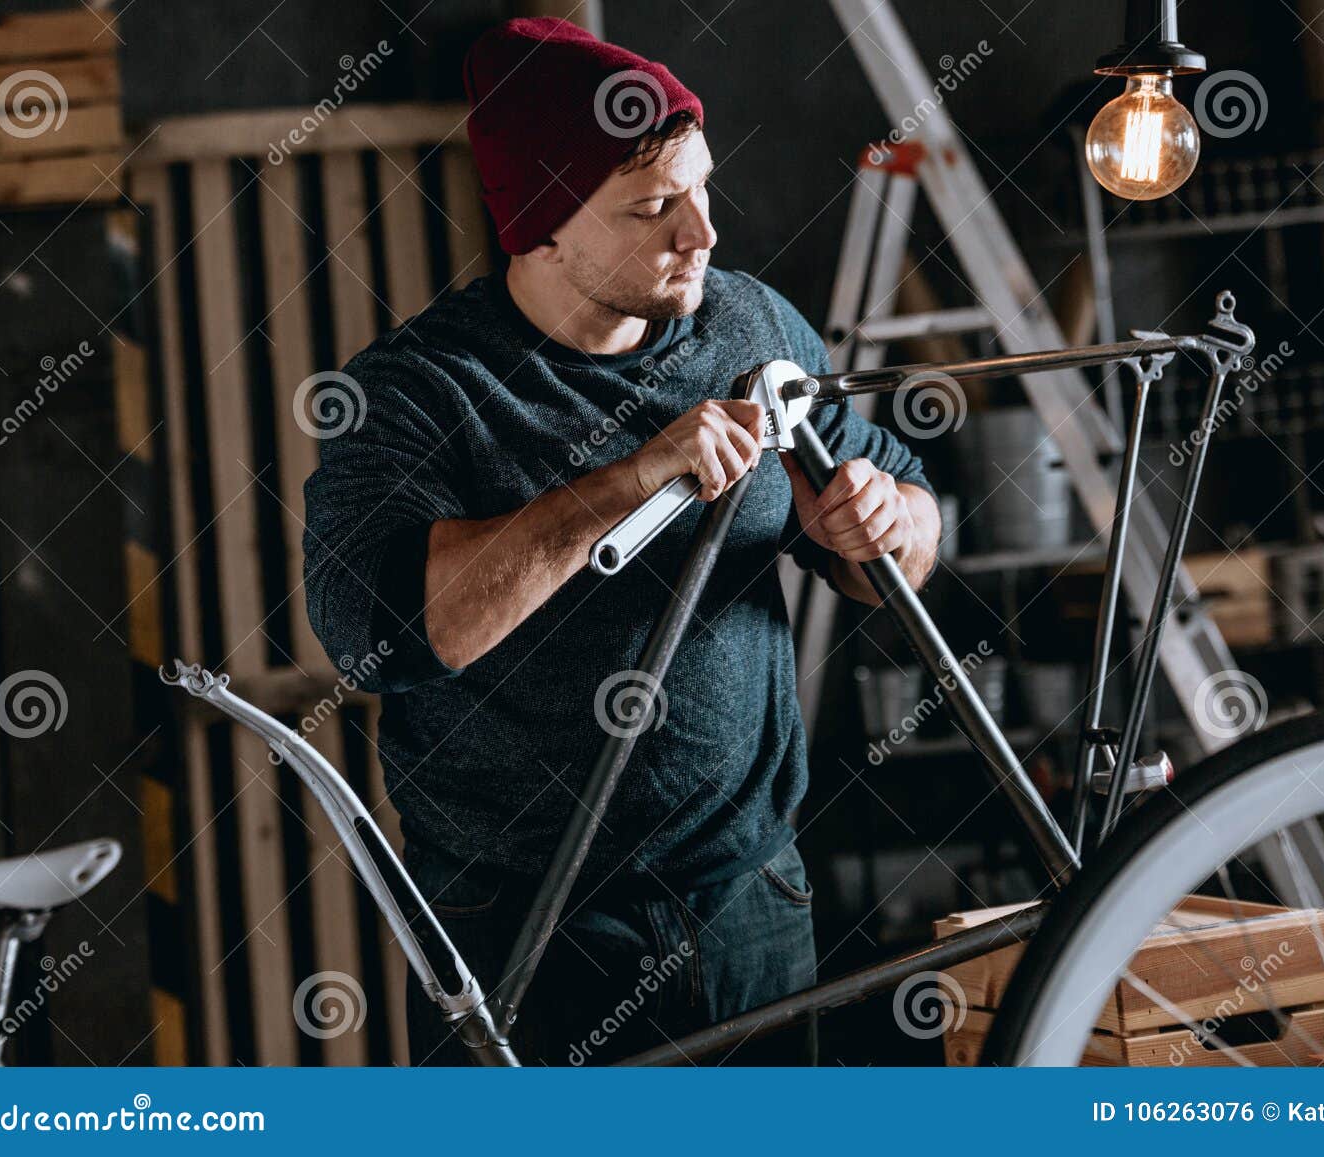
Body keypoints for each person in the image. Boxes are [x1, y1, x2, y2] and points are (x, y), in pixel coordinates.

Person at [302, 15, 940, 1065]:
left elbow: (905, 523)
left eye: (701, 188)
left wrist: (881, 524)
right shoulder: (416, 389)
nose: (703, 233)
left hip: (749, 897)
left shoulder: (751, 327)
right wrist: (633, 477)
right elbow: (379, 630)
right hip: (528, 933)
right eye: (654, 208)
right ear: (542, 228)